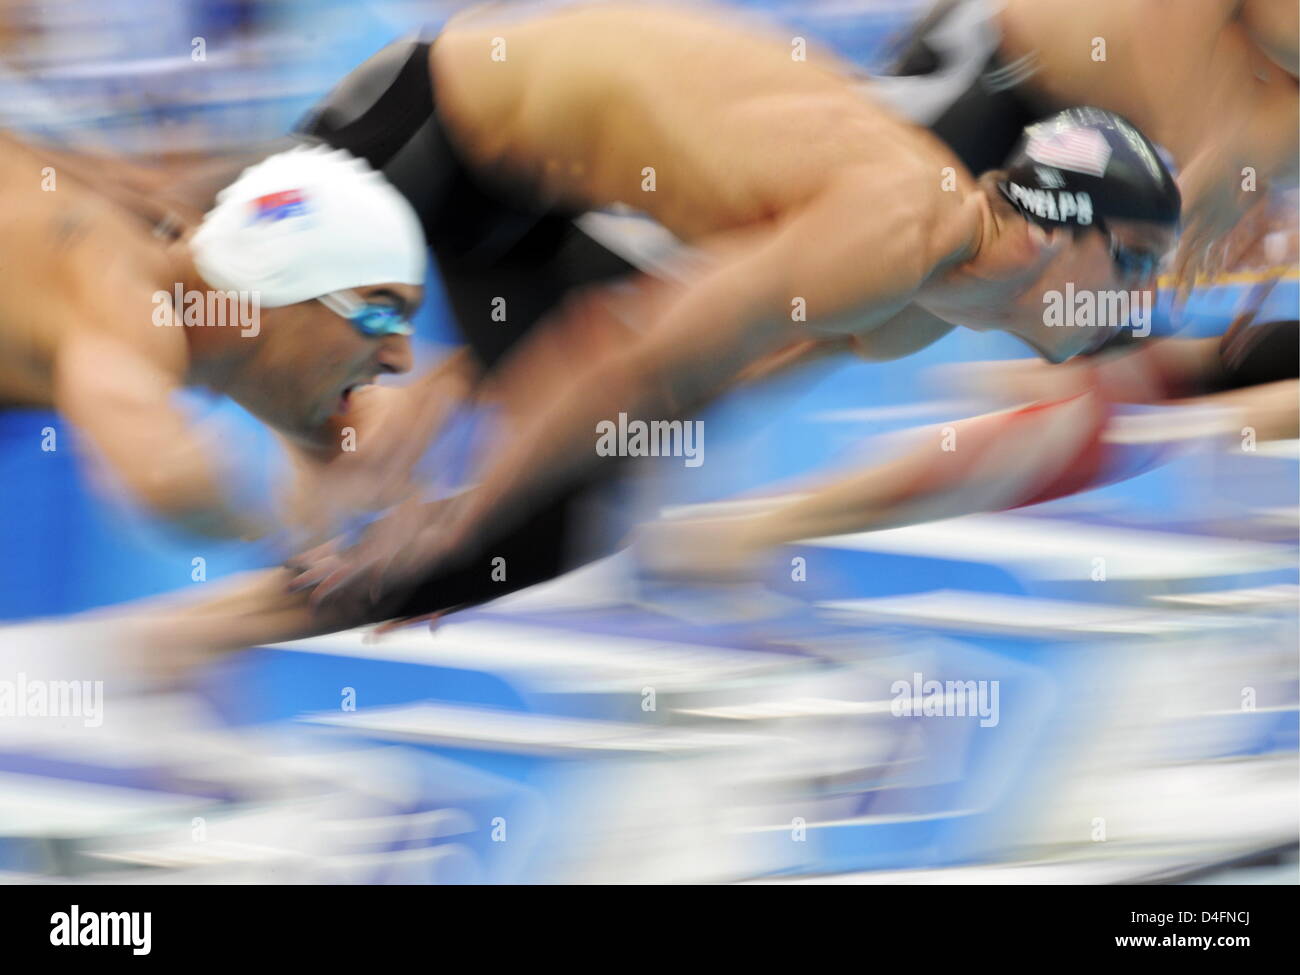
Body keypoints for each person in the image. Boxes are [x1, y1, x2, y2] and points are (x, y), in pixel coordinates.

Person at [0, 140, 428, 537]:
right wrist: (275, 535)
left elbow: (298, 401)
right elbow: (167, 480)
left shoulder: (199, 277)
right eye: (380, 314)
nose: (401, 359)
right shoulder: (120, 294)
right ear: (282, 293)